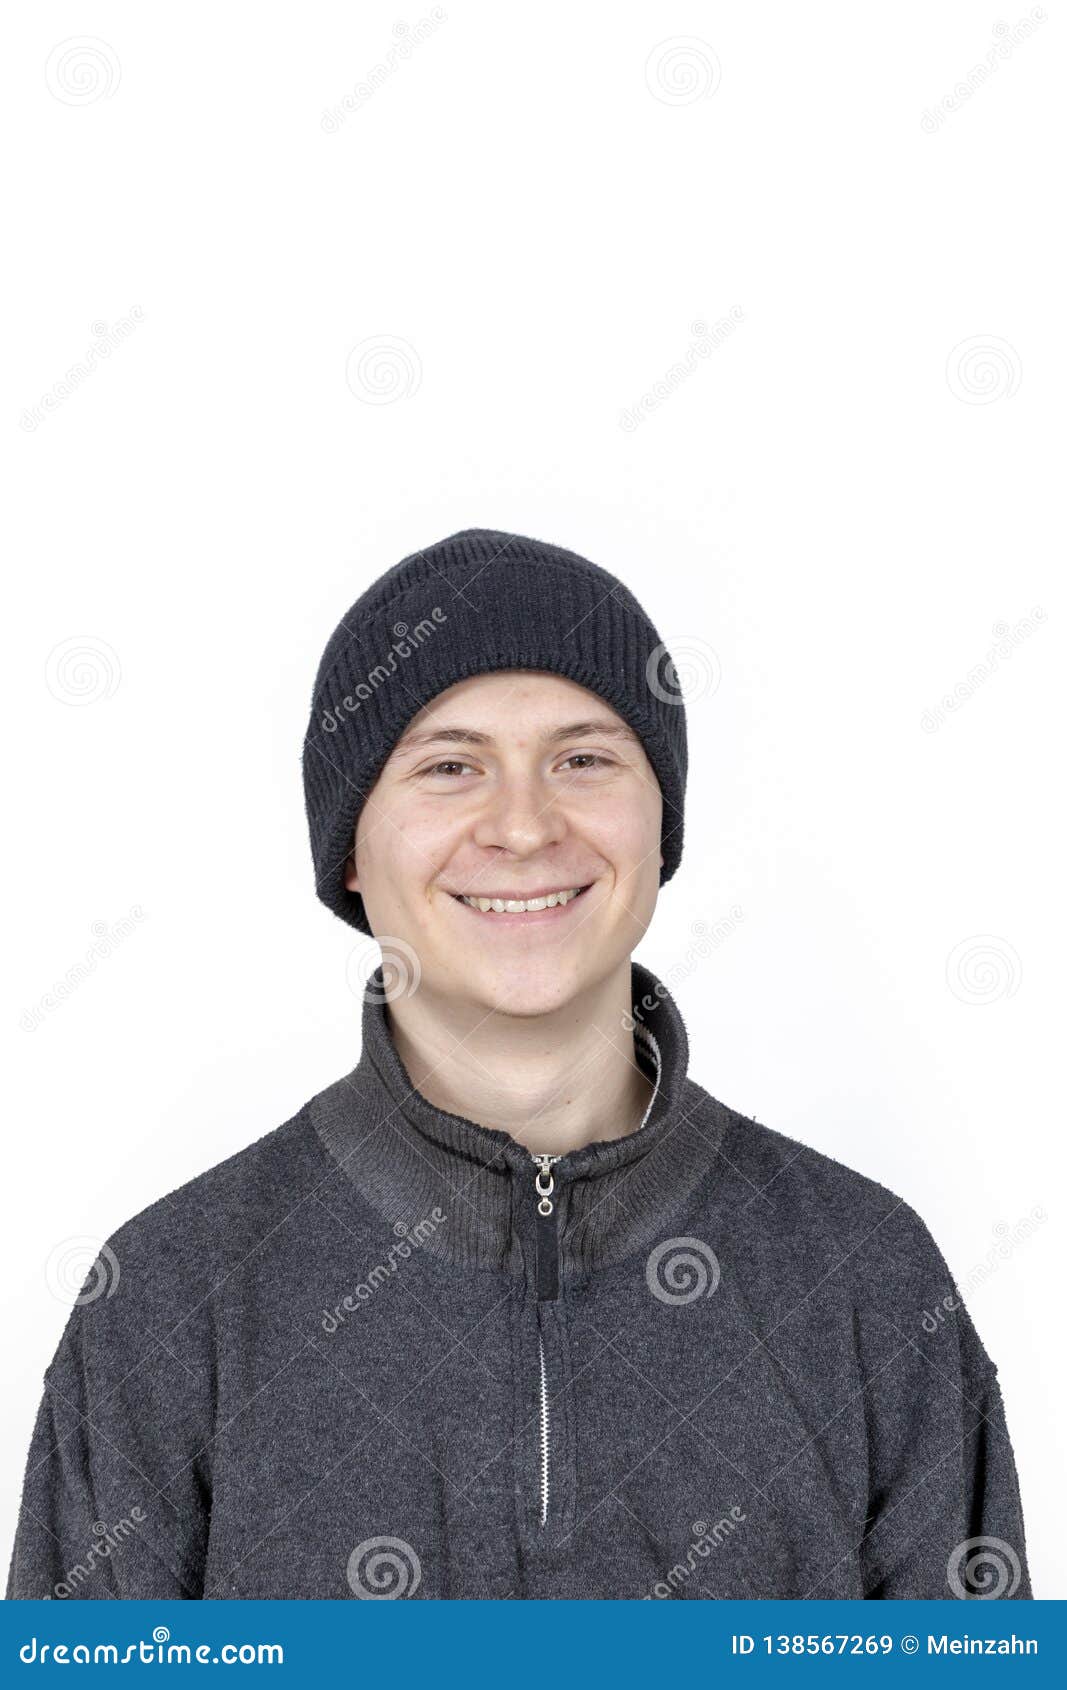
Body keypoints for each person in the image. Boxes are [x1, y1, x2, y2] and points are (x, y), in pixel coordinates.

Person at [6, 528, 1032, 1600]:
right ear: (351, 849)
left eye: (582, 758)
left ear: (658, 824)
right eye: (450, 766)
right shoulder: (169, 1301)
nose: (522, 826)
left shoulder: (864, 1277)